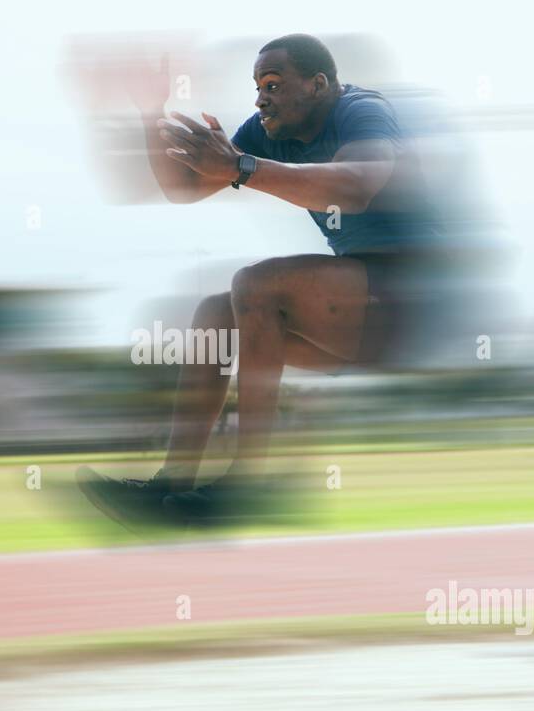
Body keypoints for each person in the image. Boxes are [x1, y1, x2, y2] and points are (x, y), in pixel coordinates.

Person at [77, 33, 446, 529]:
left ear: (318, 85)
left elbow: (357, 188)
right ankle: (173, 481)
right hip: (361, 312)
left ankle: (246, 480)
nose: (259, 97)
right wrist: (151, 111)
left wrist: (242, 167)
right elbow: (184, 189)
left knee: (256, 285)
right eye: (257, 86)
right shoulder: (267, 130)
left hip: (417, 300)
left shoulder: (361, 110)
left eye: (272, 84)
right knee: (214, 316)